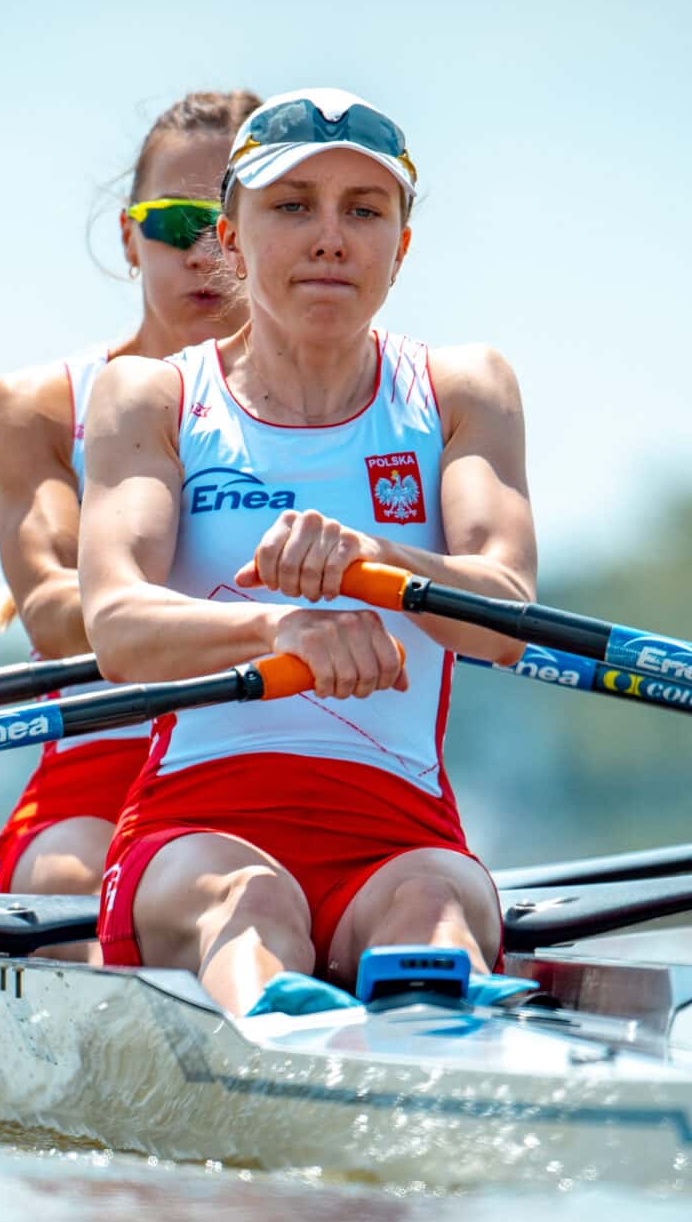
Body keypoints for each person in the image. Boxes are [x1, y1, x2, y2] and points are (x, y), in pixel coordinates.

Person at [77, 89, 539, 1016]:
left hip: (400, 833)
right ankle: (287, 1031)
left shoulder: (461, 389)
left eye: (363, 212)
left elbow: (504, 618)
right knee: (255, 903)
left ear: (400, 248)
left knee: (435, 904)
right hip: (192, 827)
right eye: (293, 206)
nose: (331, 238)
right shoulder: (152, 398)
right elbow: (118, 625)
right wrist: (280, 627)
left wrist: (375, 558)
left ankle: (437, 1040)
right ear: (231, 239)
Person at [0, 89, 260, 897]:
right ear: (129, 238)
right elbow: (55, 616)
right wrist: (270, 622)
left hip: (270, 758)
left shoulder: (348, 407)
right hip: (98, 771)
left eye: (230, 223)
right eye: (176, 224)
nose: (204, 254)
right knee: (76, 882)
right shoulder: (38, 406)